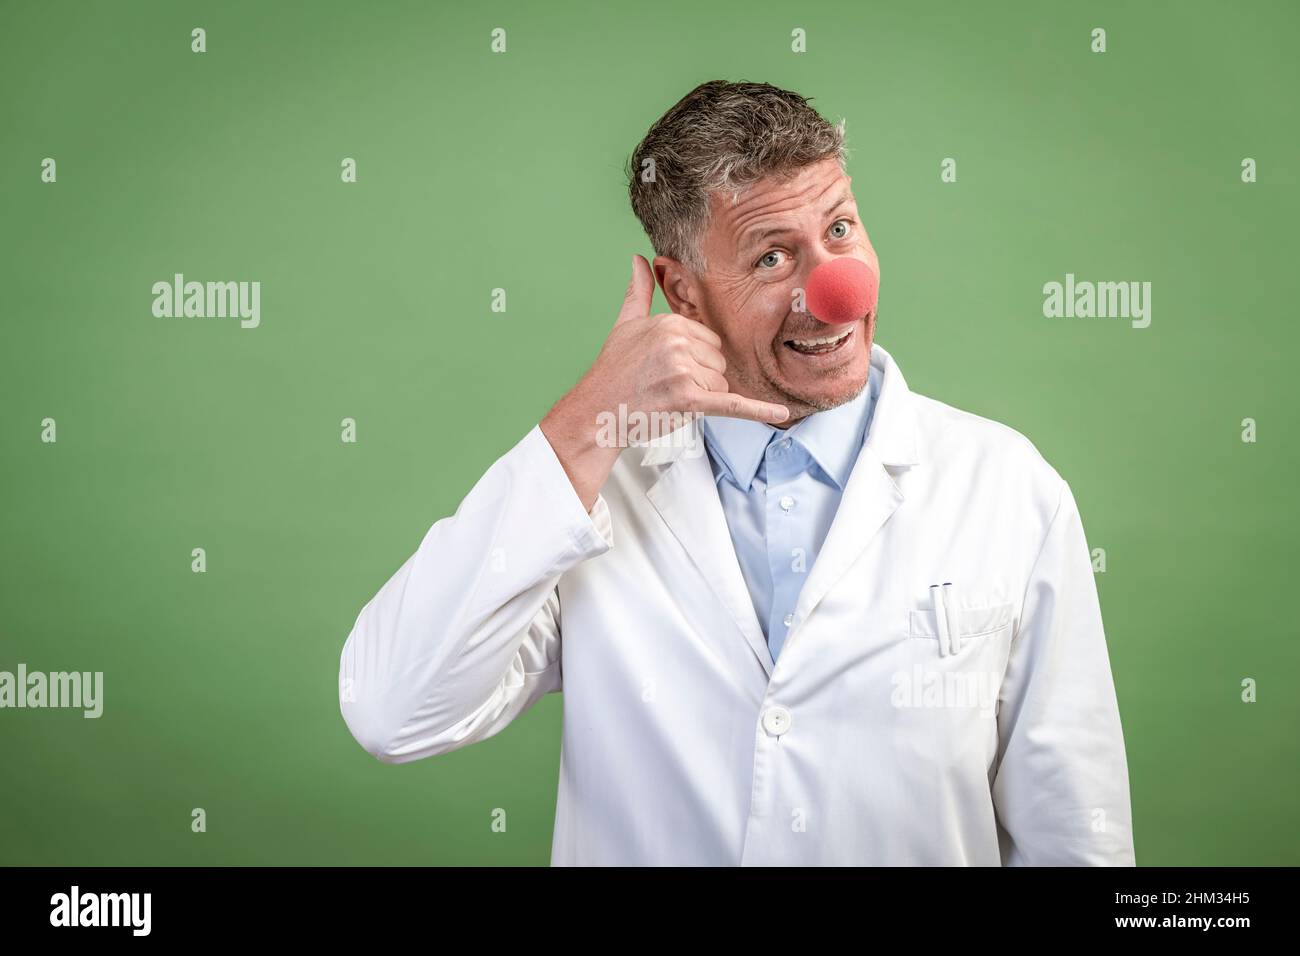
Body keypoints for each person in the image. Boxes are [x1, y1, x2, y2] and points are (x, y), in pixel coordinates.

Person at [338, 79, 1136, 866]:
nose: (834, 291)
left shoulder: (1006, 489)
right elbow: (394, 711)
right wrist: (585, 422)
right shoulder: (593, 494)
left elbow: (1078, 834)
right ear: (682, 294)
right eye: (773, 257)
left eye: (842, 229)